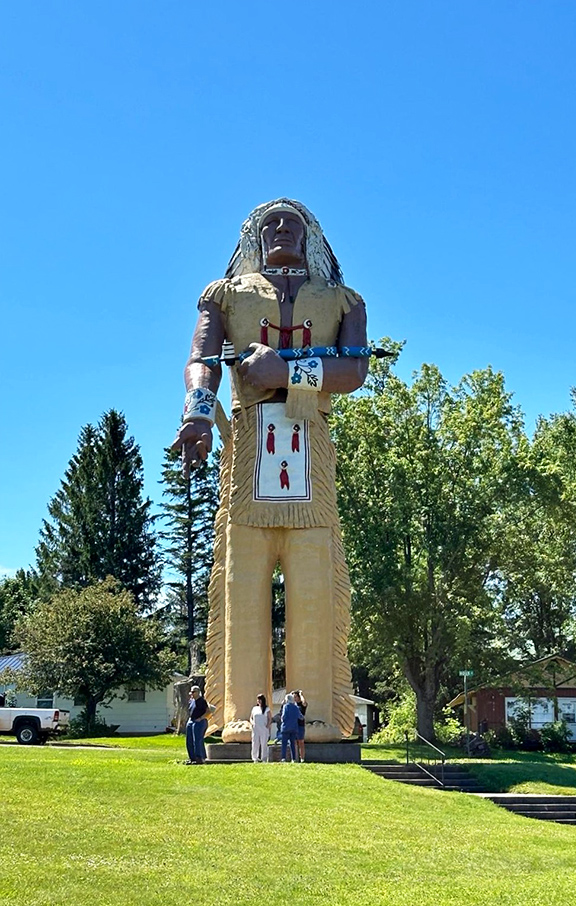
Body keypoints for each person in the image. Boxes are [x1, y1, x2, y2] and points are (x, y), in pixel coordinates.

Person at [173, 199, 368, 744]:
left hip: (312, 446)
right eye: (271, 223)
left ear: (313, 237)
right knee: (241, 584)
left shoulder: (342, 301)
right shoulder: (225, 295)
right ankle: (238, 714)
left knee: (315, 582)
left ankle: (320, 718)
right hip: (247, 448)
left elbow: (355, 367)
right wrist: (197, 413)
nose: (282, 228)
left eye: (294, 222)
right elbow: (202, 359)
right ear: (254, 236)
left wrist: (288, 369)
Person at [186, 685, 210, 764]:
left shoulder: (202, 701)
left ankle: (200, 758)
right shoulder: (192, 701)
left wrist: (201, 718)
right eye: (191, 692)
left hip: (199, 722)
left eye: (193, 692)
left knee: (197, 740)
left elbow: (208, 711)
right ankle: (192, 758)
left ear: (198, 692)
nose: (191, 694)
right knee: (189, 740)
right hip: (191, 721)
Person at [249, 693, 272, 762]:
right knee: (255, 742)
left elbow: (269, 718)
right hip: (255, 728)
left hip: (264, 728)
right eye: (258, 699)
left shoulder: (266, 709)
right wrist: (252, 723)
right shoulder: (254, 708)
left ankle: (264, 758)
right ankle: (255, 758)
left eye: (260, 699)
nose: (259, 701)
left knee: (264, 743)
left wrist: (268, 725)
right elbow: (251, 717)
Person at [280, 692, 302, 763]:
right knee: (292, 744)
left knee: (284, 744)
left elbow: (283, 716)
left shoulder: (285, 706)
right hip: (294, 728)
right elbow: (301, 717)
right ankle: (294, 758)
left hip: (285, 727)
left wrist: (282, 720)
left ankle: (283, 758)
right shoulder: (296, 707)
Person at [293, 690, 307, 762]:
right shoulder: (293, 705)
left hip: (300, 725)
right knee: (294, 742)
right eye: (294, 697)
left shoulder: (302, 705)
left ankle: (302, 758)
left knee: (301, 742)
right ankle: (295, 757)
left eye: (296, 697)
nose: (295, 698)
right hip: (293, 725)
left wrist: (301, 695)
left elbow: (304, 703)